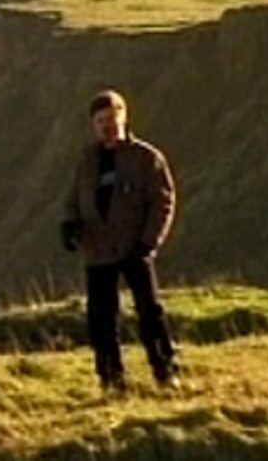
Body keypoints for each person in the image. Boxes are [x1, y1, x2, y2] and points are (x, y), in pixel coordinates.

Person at [60, 89, 180, 391]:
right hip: (97, 251)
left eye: (111, 119)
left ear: (124, 117)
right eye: (100, 121)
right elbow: (74, 198)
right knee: (101, 319)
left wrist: (149, 242)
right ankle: (111, 379)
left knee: (149, 312)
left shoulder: (146, 158)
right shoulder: (87, 161)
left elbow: (163, 201)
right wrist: (69, 225)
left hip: (135, 248)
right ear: (93, 125)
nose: (107, 126)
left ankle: (166, 372)